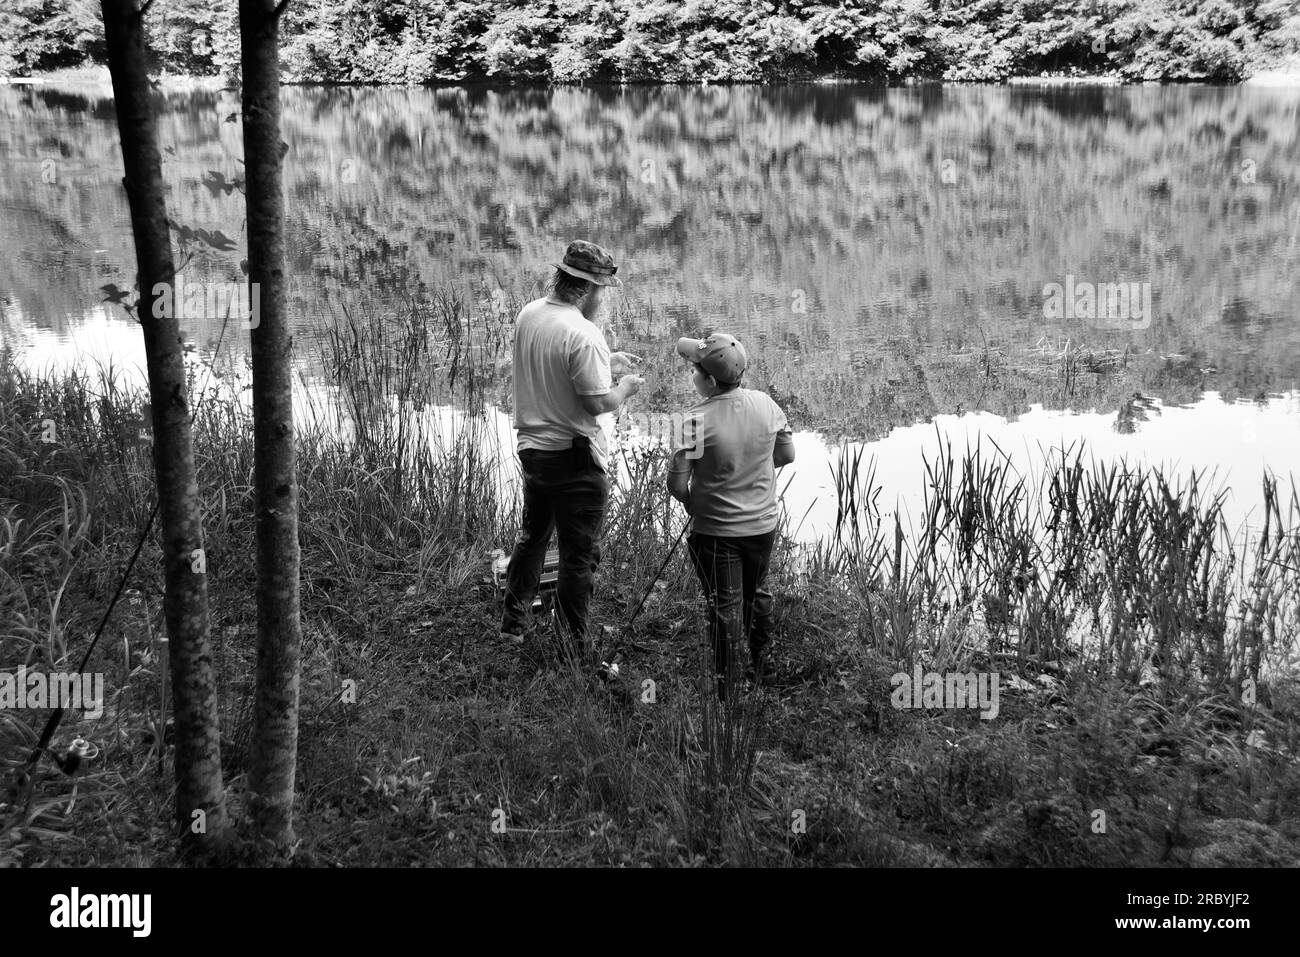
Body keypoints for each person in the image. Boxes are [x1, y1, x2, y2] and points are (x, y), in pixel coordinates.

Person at [500, 240, 644, 658]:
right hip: (575, 460)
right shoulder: (584, 333)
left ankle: (513, 625)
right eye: (603, 289)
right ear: (587, 288)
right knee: (578, 557)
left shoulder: (531, 313)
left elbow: (553, 365)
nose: (604, 297)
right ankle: (571, 646)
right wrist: (625, 388)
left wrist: (606, 361)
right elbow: (597, 403)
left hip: (533, 452)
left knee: (532, 538)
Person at [667, 333, 795, 699]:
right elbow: (786, 456)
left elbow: (677, 484)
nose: (692, 375)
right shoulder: (768, 406)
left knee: (724, 604)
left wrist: (693, 503)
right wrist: (750, 471)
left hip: (716, 531)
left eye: (694, 369)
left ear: (708, 380)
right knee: (757, 593)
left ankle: (728, 687)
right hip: (762, 527)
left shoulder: (692, 420)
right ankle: (763, 668)